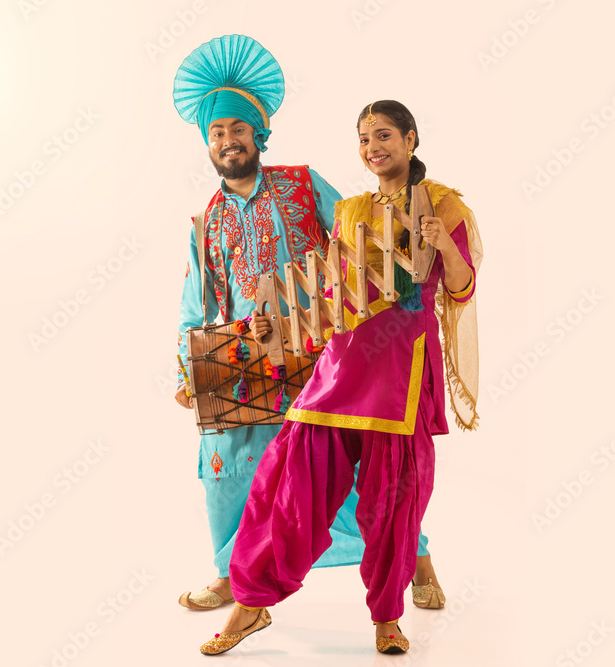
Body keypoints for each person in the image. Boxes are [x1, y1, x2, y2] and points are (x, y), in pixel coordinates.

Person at [198, 99, 483, 656]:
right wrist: (276, 318)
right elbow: (331, 292)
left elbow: (462, 288)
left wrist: (442, 241)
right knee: (287, 488)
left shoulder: (445, 206)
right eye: (364, 140)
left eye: (383, 136)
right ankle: (251, 604)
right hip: (340, 365)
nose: (373, 148)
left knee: (391, 501)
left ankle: (386, 617)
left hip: (401, 369)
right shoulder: (351, 211)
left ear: (411, 139)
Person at [172, 37, 444, 613]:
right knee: (223, 473)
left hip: (320, 351)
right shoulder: (204, 221)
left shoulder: (301, 183)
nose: (228, 140)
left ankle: (414, 557)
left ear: (258, 134)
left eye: (238, 129)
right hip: (240, 361)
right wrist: (187, 369)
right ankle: (229, 573)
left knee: (364, 469)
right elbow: (193, 307)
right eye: (217, 133)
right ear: (208, 144)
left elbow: (361, 244)